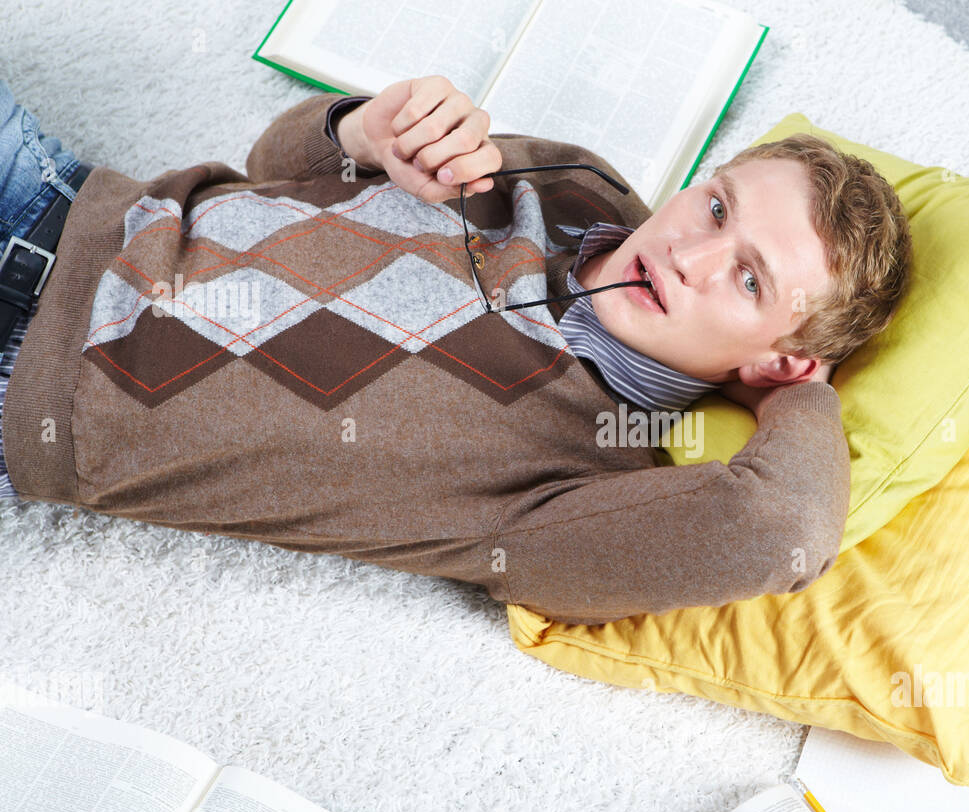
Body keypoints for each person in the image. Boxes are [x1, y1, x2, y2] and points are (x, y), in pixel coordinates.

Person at [0, 74, 910, 625]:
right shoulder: (577, 181)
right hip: (60, 195)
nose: (690, 252)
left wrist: (800, 396)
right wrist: (366, 130)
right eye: (716, 207)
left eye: (748, 280)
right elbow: (272, 159)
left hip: (24, 383)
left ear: (781, 358)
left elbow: (779, 529)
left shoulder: (599, 477)